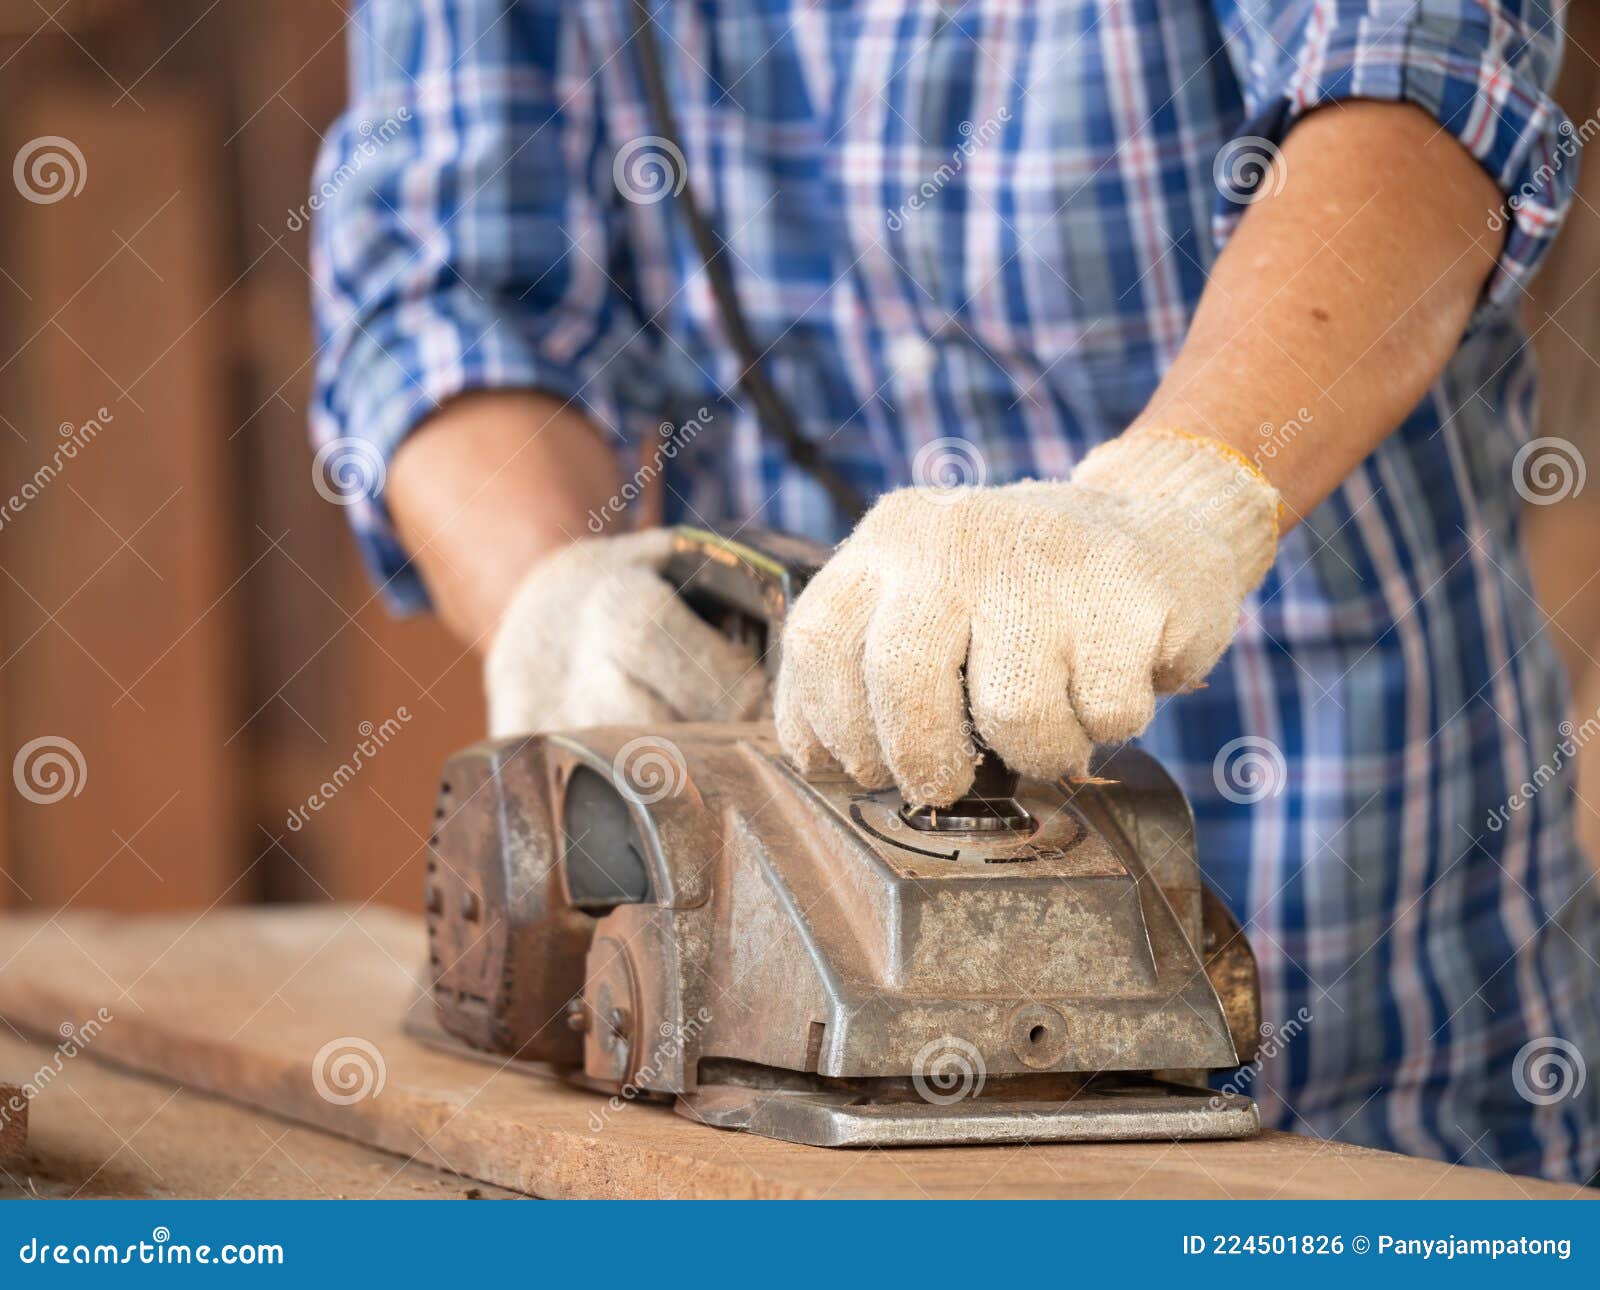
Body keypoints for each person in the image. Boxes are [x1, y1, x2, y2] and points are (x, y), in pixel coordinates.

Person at [311, 0, 1600, 1184]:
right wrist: (556, 592)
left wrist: (1175, 500)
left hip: (1386, 1051)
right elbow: (445, 289)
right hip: (800, 1126)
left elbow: (1415, 74)